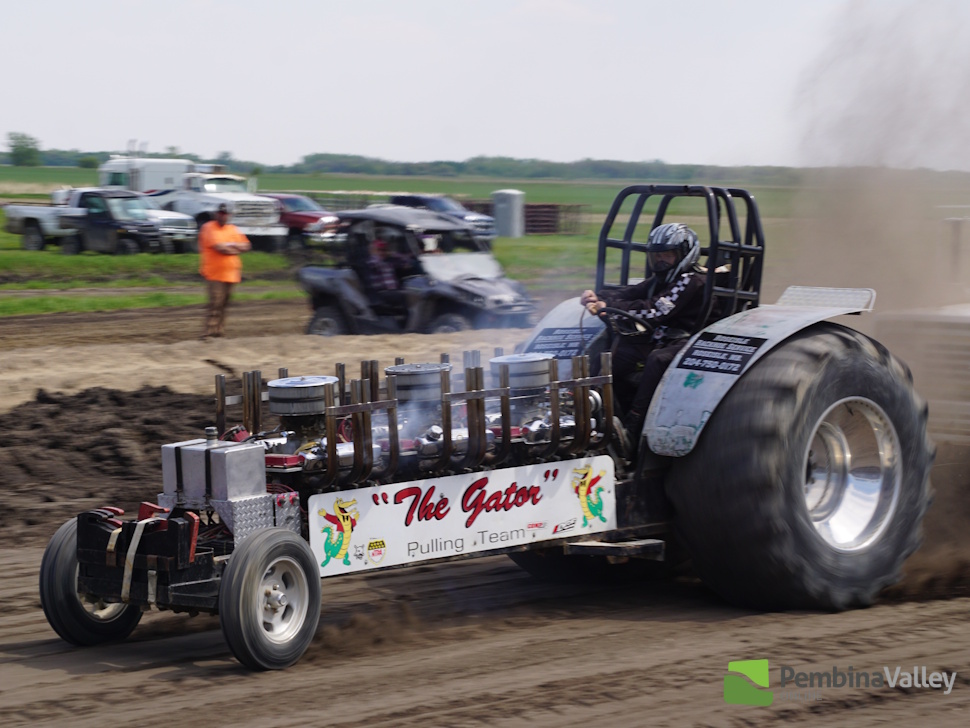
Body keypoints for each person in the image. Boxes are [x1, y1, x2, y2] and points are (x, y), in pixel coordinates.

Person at [581, 223, 707, 440]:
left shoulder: (691, 280)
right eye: (657, 255)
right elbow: (630, 293)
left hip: (691, 339)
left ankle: (633, 428)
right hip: (662, 338)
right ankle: (595, 415)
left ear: (684, 255)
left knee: (657, 360)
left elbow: (655, 310)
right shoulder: (662, 279)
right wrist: (599, 298)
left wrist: (610, 308)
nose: (661, 261)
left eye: (667, 255)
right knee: (613, 358)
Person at [199, 203, 251, 340]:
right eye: (221, 213)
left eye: (226, 214)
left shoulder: (233, 229)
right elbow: (220, 248)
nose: (223, 216)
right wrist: (235, 247)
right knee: (215, 304)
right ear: (216, 214)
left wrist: (232, 246)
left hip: (232, 274)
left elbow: (247, 245)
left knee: (225, 304)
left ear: (229, 215)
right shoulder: (209, 228)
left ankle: (219, 332)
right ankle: (208, 333)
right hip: (215, 273)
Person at [364, 238, 413, 312]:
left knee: (415, 293)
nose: (382, 252)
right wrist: (376, 254)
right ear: (373, 251)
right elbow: (375, 263)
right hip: (381, 293)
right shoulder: (370, 261)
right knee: (407, 296)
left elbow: (407, 264)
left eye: (384, 250)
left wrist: (393, 254)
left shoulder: (389, 262)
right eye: (379, 250)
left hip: (394, 291)